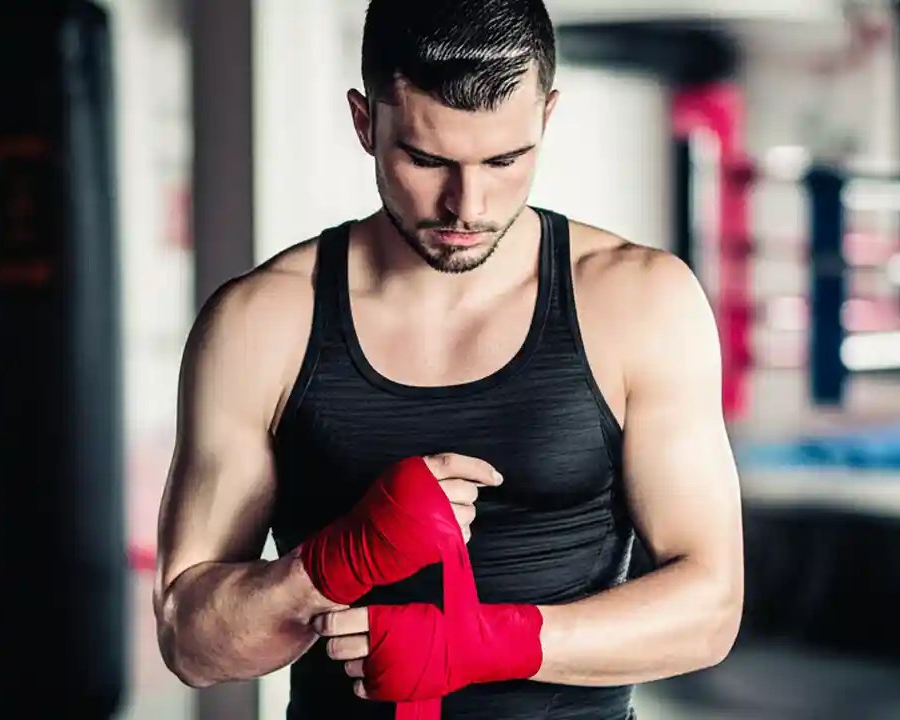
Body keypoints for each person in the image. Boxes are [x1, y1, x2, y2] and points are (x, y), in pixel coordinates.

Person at [152, 0, 744, 717]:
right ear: (365, 123)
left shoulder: (639, 303)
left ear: (546, 119)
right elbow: (190, 641)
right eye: (428, 160)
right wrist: (331, 568)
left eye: (506, 159)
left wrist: (489, 641)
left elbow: (710, 608)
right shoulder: (262, 323)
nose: (469, 205)